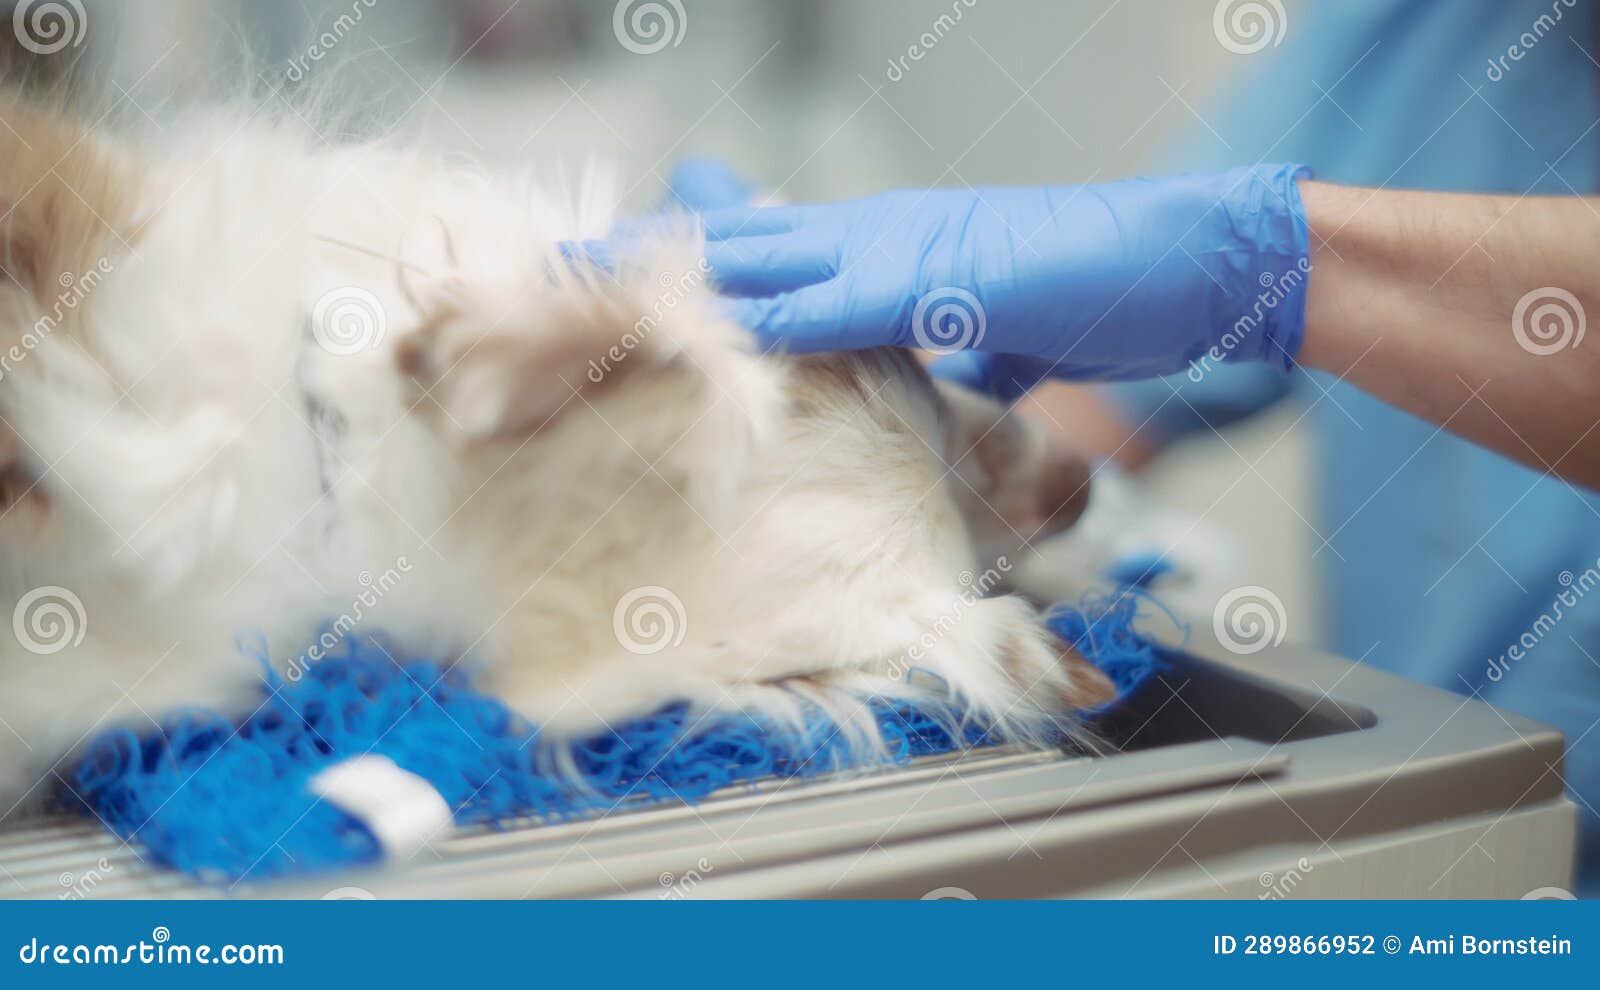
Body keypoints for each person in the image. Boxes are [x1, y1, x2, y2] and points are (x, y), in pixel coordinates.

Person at [632, 1, 1600, 895]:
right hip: (1429, 826)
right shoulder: (1417, 30)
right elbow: (1085, 414)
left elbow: (1221, 263)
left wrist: (1284, 260)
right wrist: (877, 414)